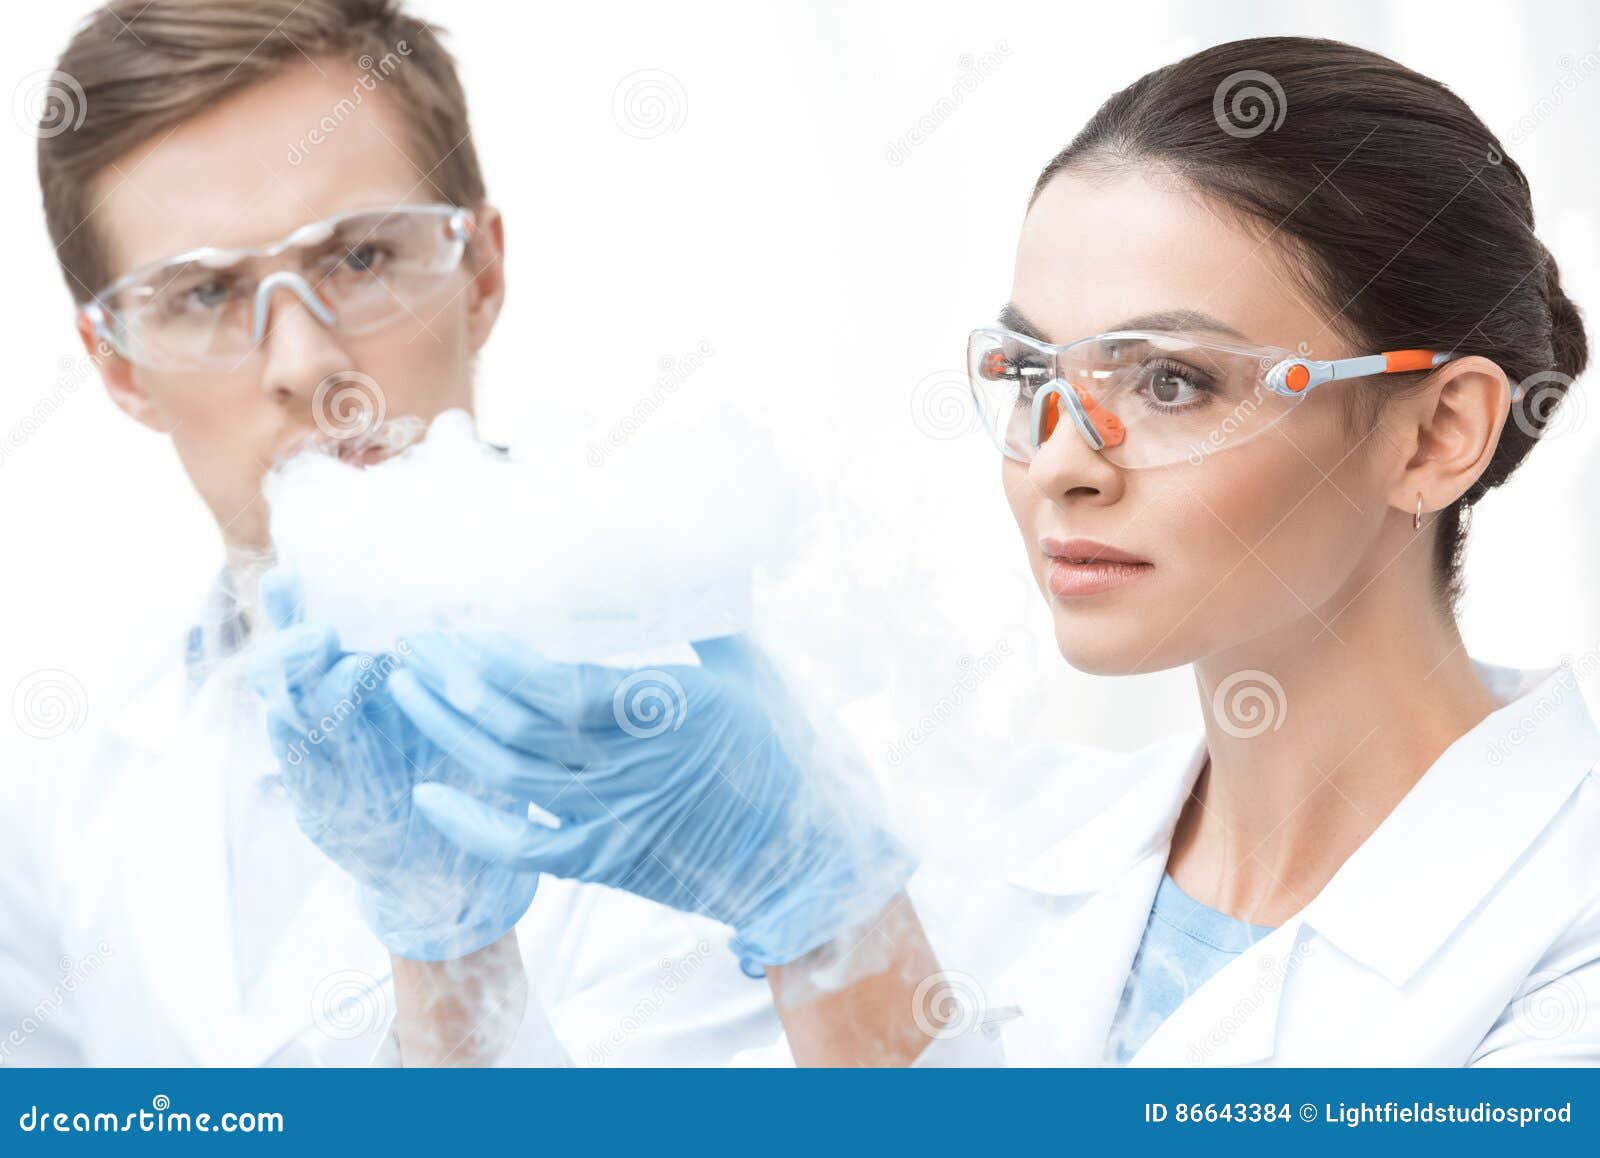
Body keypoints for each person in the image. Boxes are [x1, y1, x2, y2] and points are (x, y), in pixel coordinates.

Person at [384, 37, 1600, 1065]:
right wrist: (442, 932)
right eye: (1031, 374)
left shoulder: (1568, 929)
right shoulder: (1004, 845)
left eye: (1170, 381)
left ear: (1436, 435)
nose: (1060, 461)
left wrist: (830, 922)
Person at [1, 0, 888, 1066]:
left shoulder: (705, 747)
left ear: (481, 274)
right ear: (118, 366)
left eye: (361, 257)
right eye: (202, 293)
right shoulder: (60, 774)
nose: (305, 365)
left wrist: (451, 945)